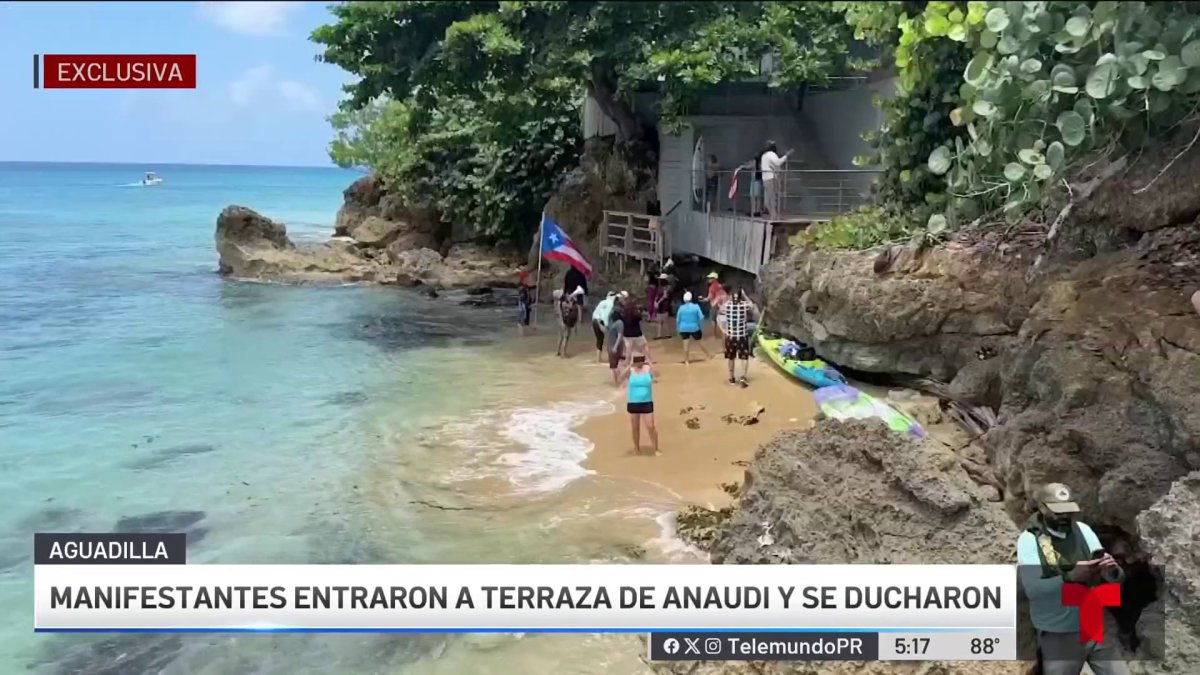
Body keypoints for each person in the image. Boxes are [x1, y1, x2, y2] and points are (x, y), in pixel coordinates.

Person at [1017, 483, 1130, 675]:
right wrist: (1070, 577)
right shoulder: (1029, 540)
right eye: (1057, 512)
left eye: (1068, 511)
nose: (1064, 517)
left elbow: (1114, 582)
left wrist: (1112, 571)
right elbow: (1033, 590)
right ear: (1043, 508)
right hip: (1059, 635)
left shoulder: (1083, 530)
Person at [618, 351, 659, 455]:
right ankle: (637, 449)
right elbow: (620, 378)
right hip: (633, 402)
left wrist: (649, 362)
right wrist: (630, 364)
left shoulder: (648, 369)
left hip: (647, 402)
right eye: (636, 359)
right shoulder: (630, 370)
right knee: (635, 427)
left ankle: (655, 449)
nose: (638, 362)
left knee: (651, 426)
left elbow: (657, 376)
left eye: (640, 359)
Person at [722, 287, 759, 387]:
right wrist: (745, 295)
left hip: (730, 337)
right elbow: (753, 306)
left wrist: (729, 298)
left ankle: (731, 378)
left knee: (731, 358)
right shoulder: (744, 305)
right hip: (742, 337)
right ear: (740, 297)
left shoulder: (727, 306)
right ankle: (743, 377)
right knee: (744, 357)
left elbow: (721, 308)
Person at [760, 141, 794, 219]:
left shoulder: (764, 155)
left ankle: (773, 214)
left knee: (769, 198)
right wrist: (786, 156)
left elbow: (774, 165)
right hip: (770, 178)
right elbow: (778, 163)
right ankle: (774, 214)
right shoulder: (770, 154)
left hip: (766, 178)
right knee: (770, 198)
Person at [676, 291, 711, 365]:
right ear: (691, 299)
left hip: (683, 328)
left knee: (685, 344)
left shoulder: (681, 308)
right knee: (700, 342)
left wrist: (678, 328)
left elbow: (678, 319)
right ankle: (708, 355)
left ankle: (686, 361)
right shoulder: (696, 306)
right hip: (694, 327)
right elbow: (701, 317)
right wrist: (698, 323)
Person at [621, 295, 651, 364]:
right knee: (644, 345)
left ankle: (627, 361)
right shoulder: (636, 313)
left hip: (627, 334)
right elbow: (640, 318)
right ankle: (647, 359)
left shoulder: (624, 312)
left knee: (628, 348)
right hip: (637, 333)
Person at [591, 291, 618, 362]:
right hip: (602, 322)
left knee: (599, 339)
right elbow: (606, 315)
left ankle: (598, 358)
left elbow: (595, 312)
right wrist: (606, 326)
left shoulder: (602, 302)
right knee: (611, 338)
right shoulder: (611, 304)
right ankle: (612, 356)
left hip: (594, 320)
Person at [555, 288, 582, 358]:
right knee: (566, 337)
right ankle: (563, 354)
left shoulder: (558, 303)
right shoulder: (564, 303)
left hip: (560, 321)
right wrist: (573, 301)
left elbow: (558, 313)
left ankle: (558, 352)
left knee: (560, 337)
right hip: (565, 321)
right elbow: (570, 307)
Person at [605, 299, 626, 385]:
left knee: (614, 366)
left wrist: (615, 347)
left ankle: (618, 382)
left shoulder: (618, 323)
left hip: (614, 347)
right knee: (615, 366)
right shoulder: (613, 322)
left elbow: (620, 336)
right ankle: (618, 382)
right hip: (612, 346)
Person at [516, 265, 534, 336]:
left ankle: (525, 328)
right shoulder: (522, 287)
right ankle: (522, 328)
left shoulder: (526, 286)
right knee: (523, 313)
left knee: (527, 312)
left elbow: (530, 285)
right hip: (523, 301)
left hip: (526, 300)